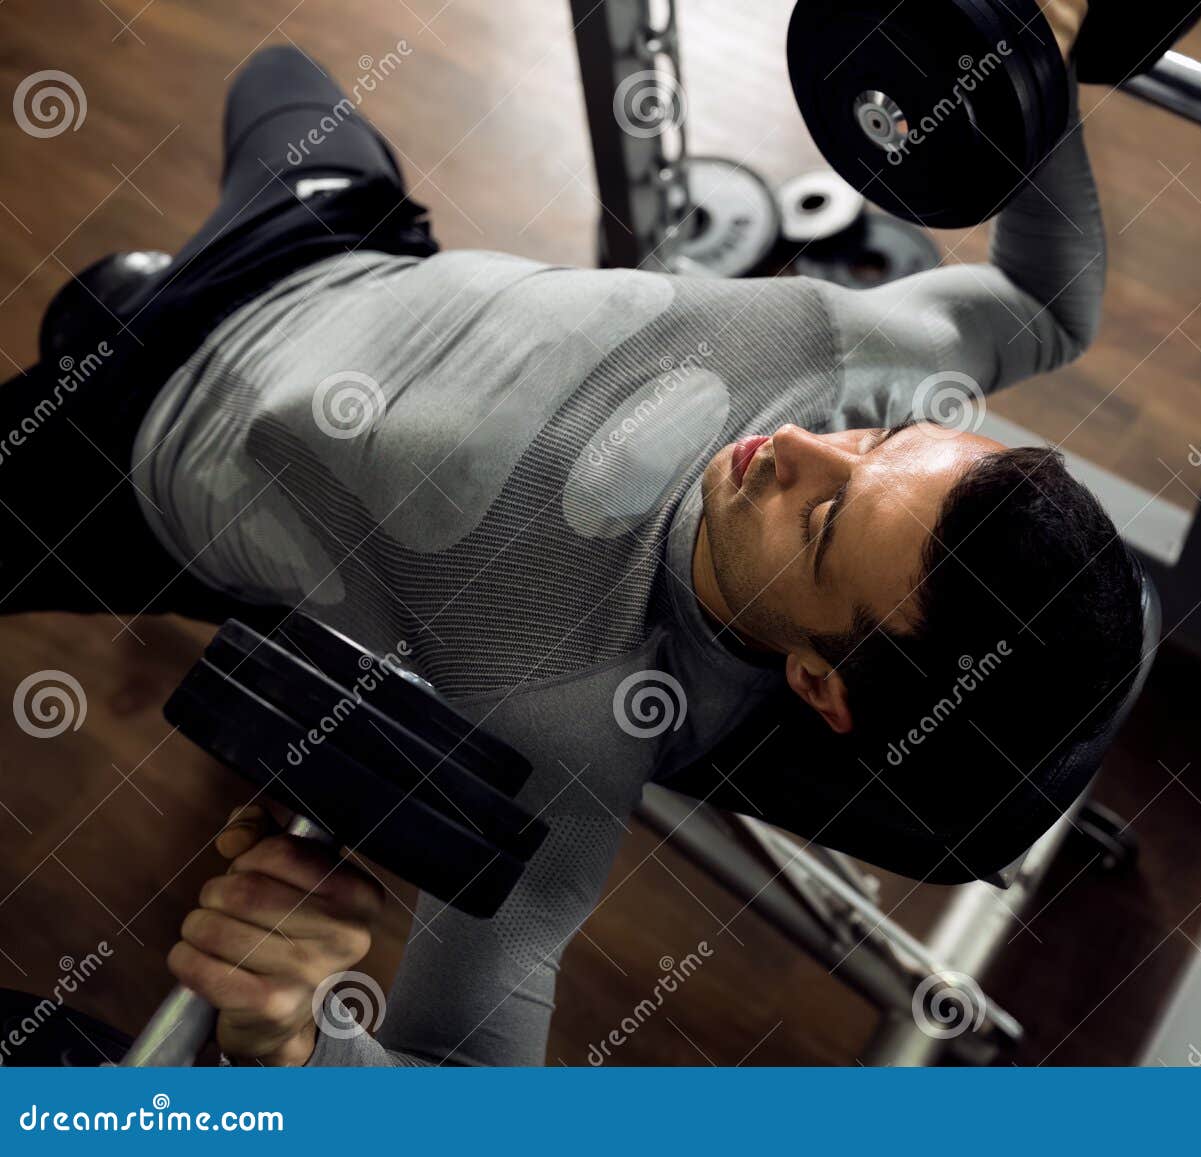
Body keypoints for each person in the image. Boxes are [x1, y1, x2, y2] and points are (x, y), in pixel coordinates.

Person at [0, 0, 1143, 1065]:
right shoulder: (872, 366)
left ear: (818, 680)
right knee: (277, 74)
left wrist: (289, 1033)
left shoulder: (570, 723)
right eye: (885, 444)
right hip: (330, 242)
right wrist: (1027, 52)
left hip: (128, 451)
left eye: (828, 518)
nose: (807, 444)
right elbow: (1052, 305)